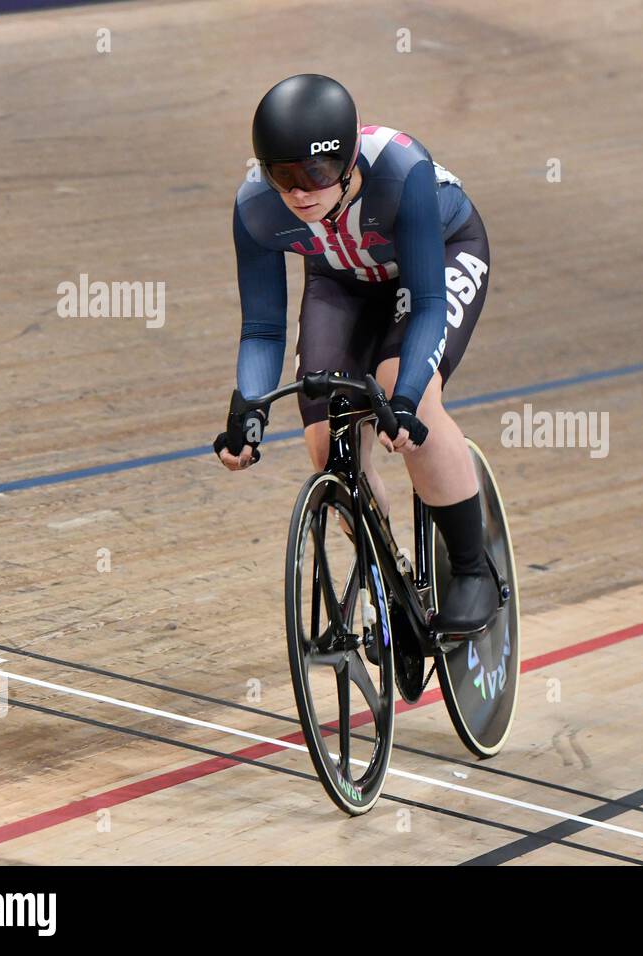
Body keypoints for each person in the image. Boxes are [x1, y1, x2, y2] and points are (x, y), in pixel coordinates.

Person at [215, 74, 498, 635]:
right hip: (342, 277)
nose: (300, 193)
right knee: (327, 441)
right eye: (283, 177)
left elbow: (426, 301)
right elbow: (264, 328)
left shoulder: (401, 170)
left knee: (403, 391)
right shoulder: (255, 208)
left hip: (435, 261)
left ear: (347, 162)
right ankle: (383, 572)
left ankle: (473, 571)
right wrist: (249, 408)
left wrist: (411, 398)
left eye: (316, 173)